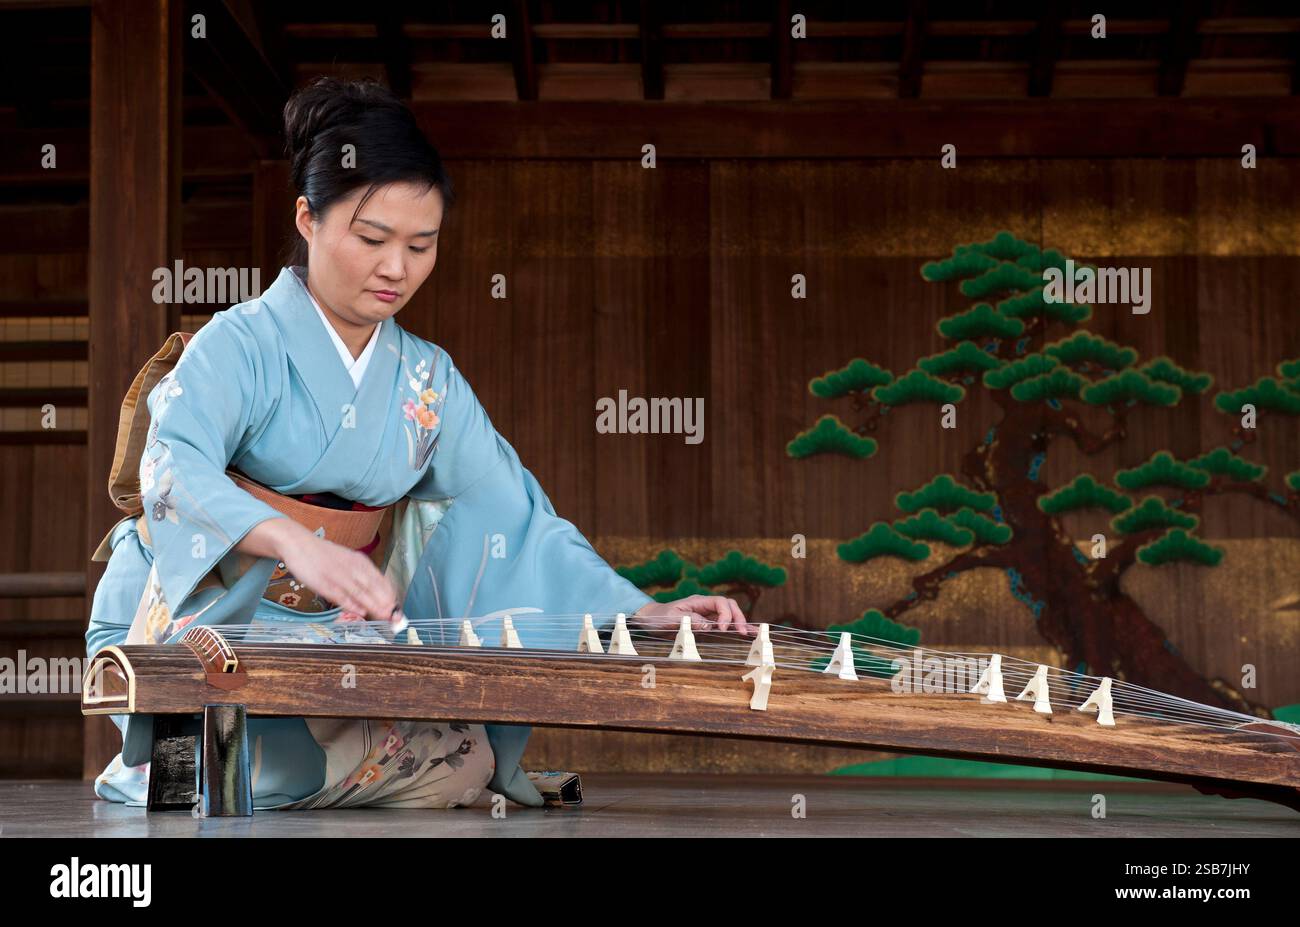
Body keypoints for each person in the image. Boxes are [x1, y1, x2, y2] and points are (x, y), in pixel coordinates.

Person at [85, 76, 753, 811]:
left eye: (420, 244)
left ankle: (288, 755)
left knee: (466, 755)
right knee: (268, 765)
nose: (396, 268)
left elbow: (510, 514)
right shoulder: (239, 344)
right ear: (307, 218)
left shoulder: (426, 379)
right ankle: (179, 758)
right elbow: (172, 461)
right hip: (204, 619)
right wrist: (289, 540)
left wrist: (635, 611)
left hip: (332, 638)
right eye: (372, 239)